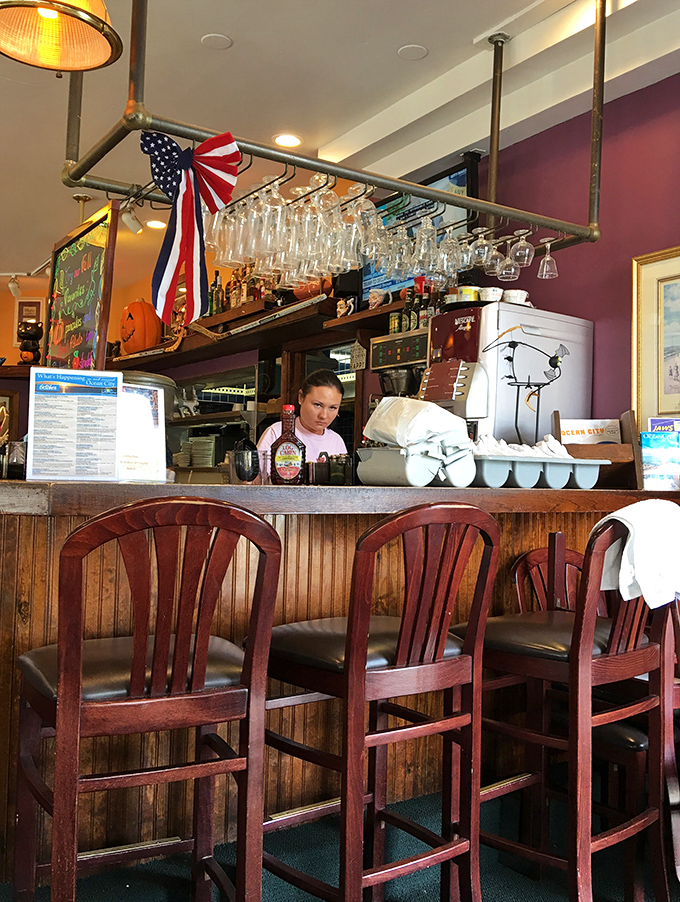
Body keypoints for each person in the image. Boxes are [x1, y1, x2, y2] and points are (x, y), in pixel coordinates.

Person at [257, 368, 347, 460]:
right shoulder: (277, 433)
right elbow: (257, 473)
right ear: (301, 398)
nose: (323, 416)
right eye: (317, 405)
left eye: (332, 408)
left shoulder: (336, 442)